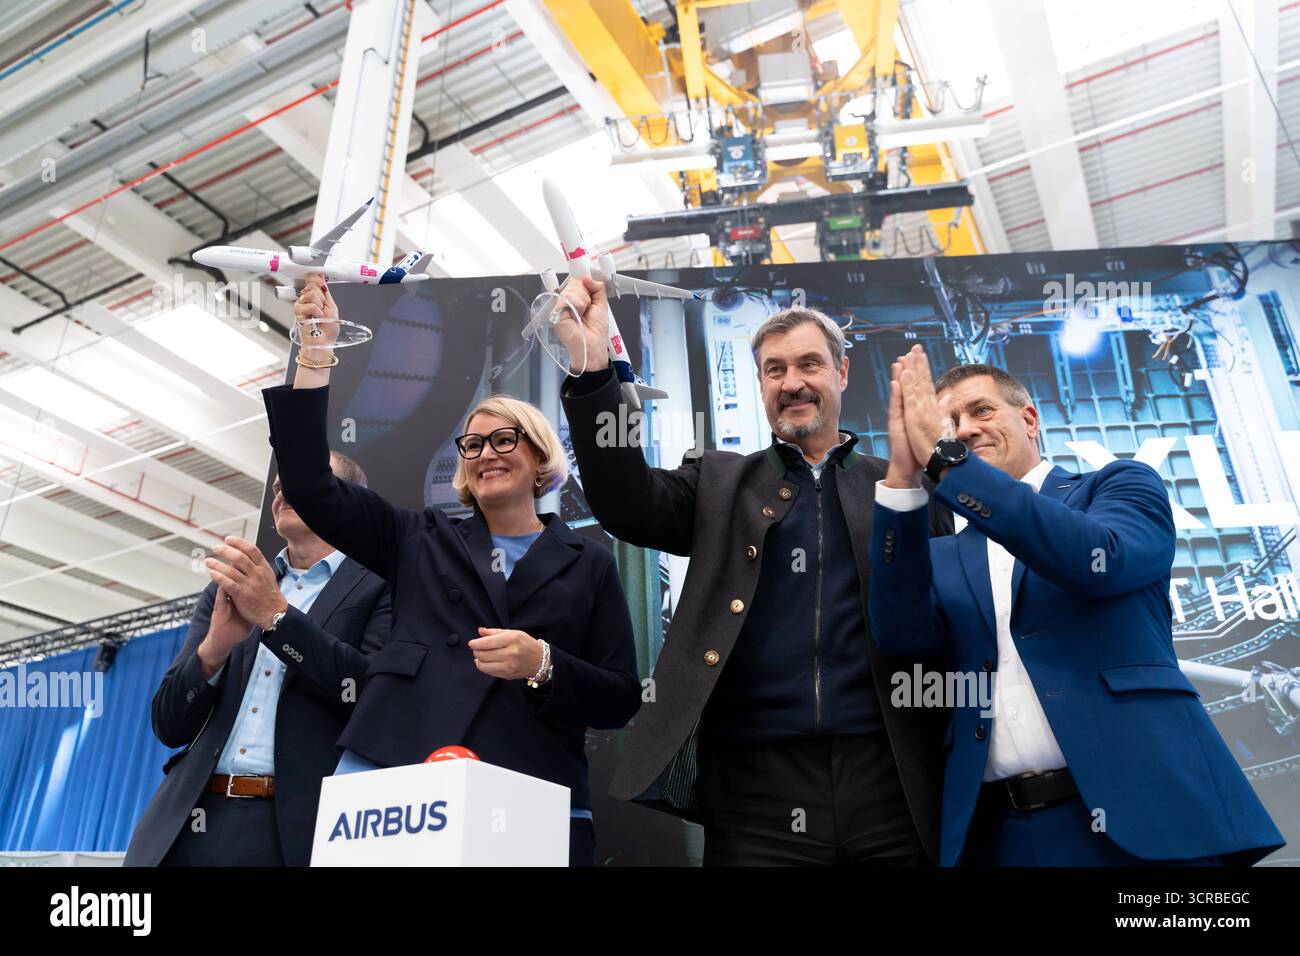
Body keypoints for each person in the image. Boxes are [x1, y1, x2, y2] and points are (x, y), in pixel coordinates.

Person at [554, 278, 953, 866]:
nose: (792, 382)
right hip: (753, 788)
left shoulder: (899, 483)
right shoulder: (717, 481)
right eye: (774, 370)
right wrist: (592, 375)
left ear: (841, 374)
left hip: (889, 775)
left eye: (810, 364)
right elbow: (625, 504)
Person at [260, 274, 641, 867]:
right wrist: (315, 357)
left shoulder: (588, 561)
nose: (486, 453)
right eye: (472, 444)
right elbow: (310, 484)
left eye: (504, 439)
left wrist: (542, 664)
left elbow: (619, 697)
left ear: (539, 454)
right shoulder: (416, 538)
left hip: (530, 786)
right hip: (398, 783)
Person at [869, 346, 1285, 865]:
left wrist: (947, 462)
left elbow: (1097, 562)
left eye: (981, 411)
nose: (965, 430)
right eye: (948, 422)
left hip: (1146, 818)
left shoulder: (1116, 488)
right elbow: (902, 639)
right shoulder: (942, 554)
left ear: (1029, 419)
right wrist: (904, 481)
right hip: (1003, 837)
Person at [125, 451, 392, 866]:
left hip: (290, 833)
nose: (282, 493)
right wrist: (213, 650)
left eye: (300, 480)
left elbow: (373, 697)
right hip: (187, 824)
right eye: (278, 487)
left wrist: (275, 617)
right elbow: (168, 723)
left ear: (347, 499)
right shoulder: (230, 590)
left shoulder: (383, 585)